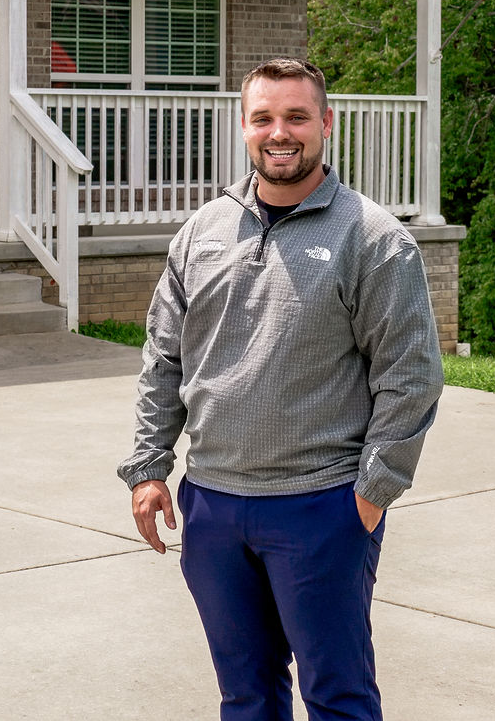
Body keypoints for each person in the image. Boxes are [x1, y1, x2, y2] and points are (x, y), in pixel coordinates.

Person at [117, 56, 444, 721]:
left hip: (320, 507)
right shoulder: (201, 233)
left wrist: (371, 494)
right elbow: (163, 358)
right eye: (263, 117)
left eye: (296, 116)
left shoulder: (373, 238)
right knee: (246, 694)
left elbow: (410, 376)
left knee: (337, 696)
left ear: (325, 122)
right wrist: (150, 467)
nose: (280, 132)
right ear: (244, 127)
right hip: (211, 506)